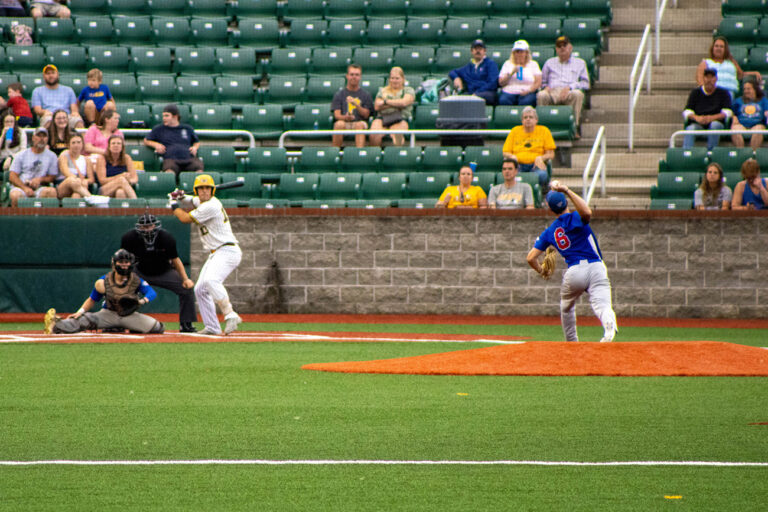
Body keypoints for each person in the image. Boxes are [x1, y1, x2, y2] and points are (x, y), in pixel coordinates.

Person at [526, 182, 617, 343]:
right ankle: (609, 329)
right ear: (566, 202)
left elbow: (530, 258)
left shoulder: (550, 231)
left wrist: (541, 271)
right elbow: (587, 212)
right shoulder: (575, 217)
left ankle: (571, 342)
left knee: (566, 307)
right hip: (597, 267)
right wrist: (567, 190)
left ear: (550, 209)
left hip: (574, 272)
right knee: (602, 305)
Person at [169, 174, 242, 335]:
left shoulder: (211, 205)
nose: (204, 191)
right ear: (197, 190)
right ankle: (212, 327)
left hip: (227, 250)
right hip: (217, 252)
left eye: (207, 188)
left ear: (212, 190)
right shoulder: (201, 201)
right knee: (200, 290)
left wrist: (174, 204)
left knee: (211, 280)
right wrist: (181, 195)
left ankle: (230, 314)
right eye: (201, 188)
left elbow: (185, 218)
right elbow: (191, 200)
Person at [44, 249, 165, 335]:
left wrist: (141, 301)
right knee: (84, 320)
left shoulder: (135, 280)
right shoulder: (104, 281)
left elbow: (151, 293)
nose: (124, 265)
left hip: (129, 315)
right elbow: (92, 299)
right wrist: (79, 312)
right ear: (114, 263)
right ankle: (55, 324)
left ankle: (128, 327)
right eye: (121, 262)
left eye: (126, 262)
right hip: (108, 313)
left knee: (158, 328)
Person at [121, 213, 197, 333]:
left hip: (164, 271)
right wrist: (122, 278)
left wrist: (185, 279)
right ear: (139, 227)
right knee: (120, 289)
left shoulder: (166, 237)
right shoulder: (129, 238)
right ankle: (124, 322)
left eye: (150, 226)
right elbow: (121, 259)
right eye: (144, 227)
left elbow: (175, 260)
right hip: (140, 271)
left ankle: (186, 323)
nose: (147, 229)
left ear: (155, 225)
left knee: (186, 289)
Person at [537, 35, 590, 136]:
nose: (562, 48)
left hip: (569, 91)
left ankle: (574, 128)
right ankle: (542, 131)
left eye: (564, 45)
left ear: (570, 47)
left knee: (577, 94)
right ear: (556, 49)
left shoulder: (580, 63)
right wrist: (545, 88)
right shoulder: (549, 62)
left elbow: (586, 83)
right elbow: (543, 82)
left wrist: (570, 87)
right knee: (541, 95)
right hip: (552, 91)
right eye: (559, 46)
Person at [502, 106, 555, 190]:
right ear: (522, 120)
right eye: (525, 117)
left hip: (536, 165)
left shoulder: (544, 131)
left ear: (536, 120)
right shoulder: (515, 131)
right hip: (518, 165)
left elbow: (551, 154)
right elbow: (505, 152)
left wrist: (541, 157)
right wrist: (512, 157)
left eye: (531, 117)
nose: (528, 119)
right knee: (510, 175)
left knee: (542, 176)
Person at [144, 103, 203, 177]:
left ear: (175, 116)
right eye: (163, 116)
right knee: (169, 171)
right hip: (171, 159)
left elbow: (196, 142)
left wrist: (195, 148)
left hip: (188, 158)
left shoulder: (187, 128)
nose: (164, 118)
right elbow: (146, 140)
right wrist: (156, 145)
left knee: (198, 167)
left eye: (167, 116)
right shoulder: (159, 129)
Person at [696, 36, 761, 100]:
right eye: (716, 46)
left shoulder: (732, 62)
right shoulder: (705, 63)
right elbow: (700, 81)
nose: (719, 48)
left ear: (725, 49)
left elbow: (741, 75)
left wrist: (754, 73)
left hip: (729, 93)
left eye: (721, 46)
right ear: (712, 48)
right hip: (713, 94)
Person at [7, 127, 59, 207]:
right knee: (15, 195)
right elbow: (12, 176)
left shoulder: (52, 156)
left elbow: (52, 176)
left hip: (40, 187)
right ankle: (18, 218)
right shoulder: (21, 155)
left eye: (44, 136)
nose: (41, 139)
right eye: (39, 136)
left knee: (51, 192)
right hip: (22, 186)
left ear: (47, 139)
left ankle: (45, 218)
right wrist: (24, 188)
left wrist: (40, 179)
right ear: (33, 138)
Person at [682, 67, 732, 150]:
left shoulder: (723, 93)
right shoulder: (695, 92)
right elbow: (687, 111)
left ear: (716, 79)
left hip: (716, 122)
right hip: (699, 123)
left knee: (714, 125)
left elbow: (727, 113)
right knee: (690, 129)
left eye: (712, 77)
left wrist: (711, 118)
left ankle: (710, 153)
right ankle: (686, 154)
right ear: (703, 78)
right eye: (707, 77)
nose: (709, 80)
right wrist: (697, 118)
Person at [369, 66, 415, 147]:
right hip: (383, 118)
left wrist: (385, 102)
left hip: (400, 118)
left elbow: (404, 103)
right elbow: (377, 106)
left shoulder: (408, 90)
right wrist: (396, 104)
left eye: (397, 78)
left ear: (403, 79)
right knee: (374, 134)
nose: (394, 81)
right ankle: (375, 156)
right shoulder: (382, 90)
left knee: (397, 136)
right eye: (392, 78)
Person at [331, 64, 374, 148]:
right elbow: (337, 115)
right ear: (347, 76)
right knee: (339, 124)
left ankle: (359, 153)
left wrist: (356, 105)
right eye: (352, 74)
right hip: (345, 123)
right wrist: (345, 117)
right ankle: (335, 152)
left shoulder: (366, 95)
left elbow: (366, 114)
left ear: (360, 77)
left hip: (360, 122)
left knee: (359, 125)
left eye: (357, 75)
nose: (354, 77)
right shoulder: (339, 94)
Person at [31, 64, 83, 129]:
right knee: (47, 120)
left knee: (78, 121)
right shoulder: (37, 91)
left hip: (66, 116)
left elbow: (74, 109)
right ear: (44, 76)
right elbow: (37, 110)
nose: (51, 75)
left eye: (53, 73)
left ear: (57, 75)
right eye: (48, 73)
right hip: (50, 115)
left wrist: (75, 113)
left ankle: (82, 139)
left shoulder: (68, 90)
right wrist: (44, 112)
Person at [448, 39, 499, 105]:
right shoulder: (468, 67)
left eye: (480, 49)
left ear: (484, 51)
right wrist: (456, 78)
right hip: (471, 94)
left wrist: (477, 93)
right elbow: (452, 72)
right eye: (475, 49)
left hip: (486, 93)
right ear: (472, 51)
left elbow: (493, 83)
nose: (478, 51)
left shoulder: (491, 64)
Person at [498, 39, 541, 106]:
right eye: (517, 52)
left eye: (522, 52)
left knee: (526, 102)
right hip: (509, 91)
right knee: (503, 100)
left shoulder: (533, 64)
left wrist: (529, 90)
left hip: (527, 91)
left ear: (526, 53)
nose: (519, 54)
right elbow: (501, 82)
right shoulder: (507, 64)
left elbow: (538, 82)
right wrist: (511, 73)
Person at [95, 134, 137, 198]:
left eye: (118, 143)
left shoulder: (127, 158)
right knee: (121, 180)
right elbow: (102, 181)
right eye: (113, 143)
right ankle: (137, 204)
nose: (116, 145)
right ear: (109, 146)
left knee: (120, 192)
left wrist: (129, 180)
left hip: (122, 188)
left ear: (122, 147)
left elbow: (135, 178)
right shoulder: (102, 158)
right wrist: (120, 177)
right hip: (104, 190)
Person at [730, 79, 768, 150]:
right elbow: (731, 111)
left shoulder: (763, 100)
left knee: (758, 129)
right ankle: (741, 153)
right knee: (734, 128)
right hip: (741, 125)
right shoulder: (738, 100)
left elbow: (767, 111)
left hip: (757, 125)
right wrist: (734, 118)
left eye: (748, 89)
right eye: (744, 89)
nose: (746, 91)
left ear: (755, 90)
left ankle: (752, 155)